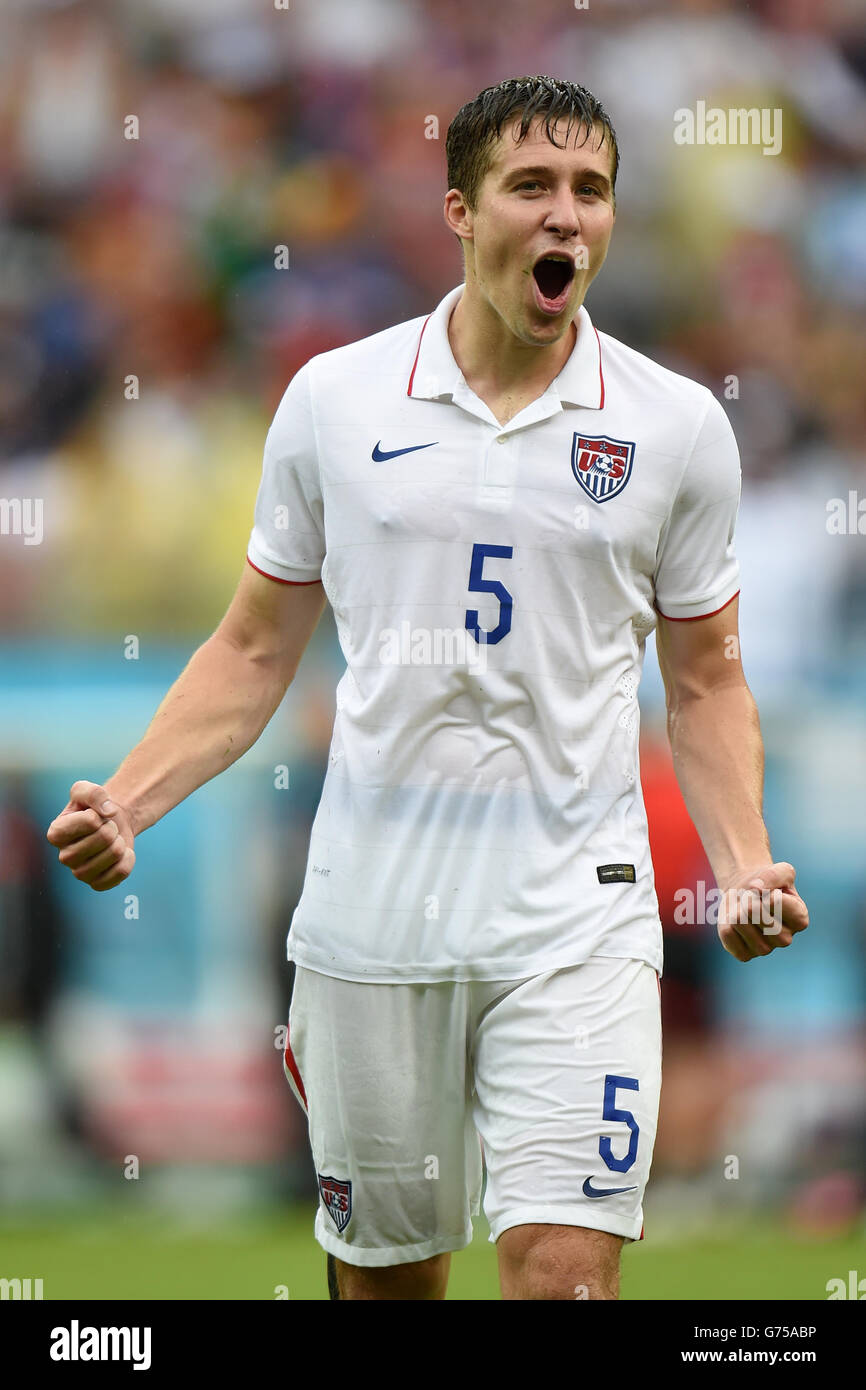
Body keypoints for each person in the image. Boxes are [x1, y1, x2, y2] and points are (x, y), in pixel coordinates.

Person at [46, 75, 810, 1301]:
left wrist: (739, 862)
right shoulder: (333, 404)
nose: (565, 217)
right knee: (387, 1287)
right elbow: (252, 648)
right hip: (371, 918)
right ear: (459, 207)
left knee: (564, 1276)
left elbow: (707, 678)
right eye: (530, 187)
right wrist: (130, 802)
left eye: (590, 192)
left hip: (577, 918)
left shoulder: (674, 429)